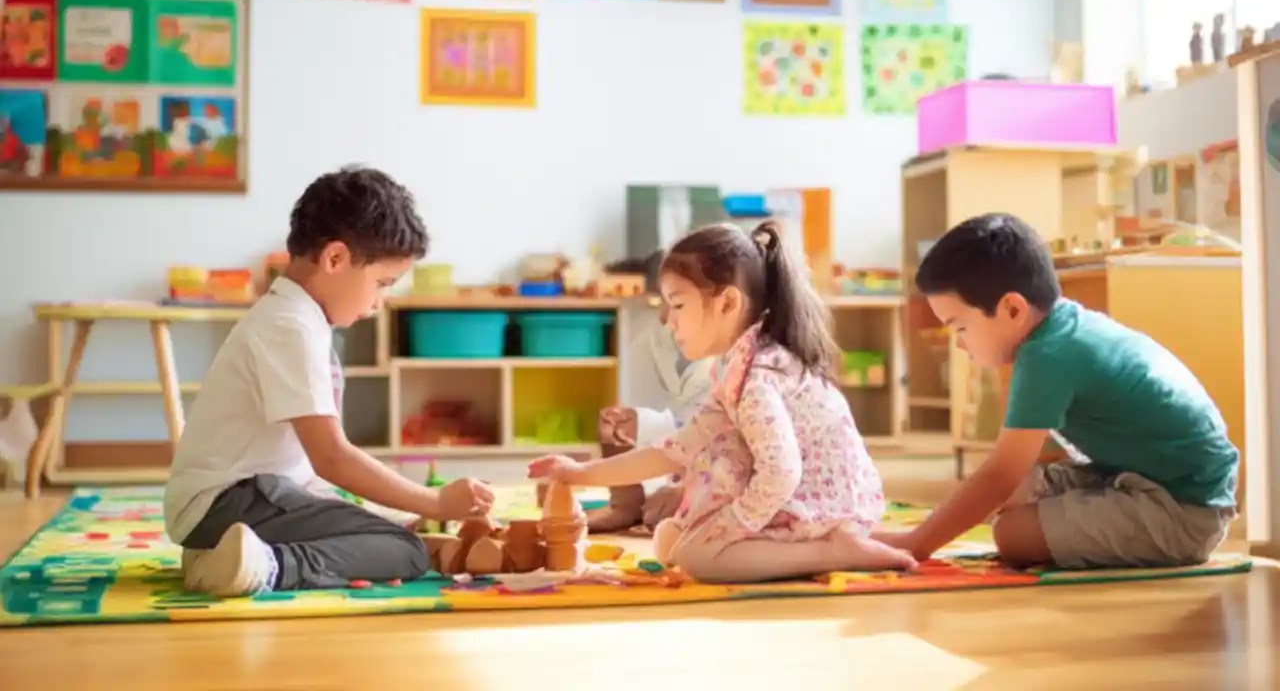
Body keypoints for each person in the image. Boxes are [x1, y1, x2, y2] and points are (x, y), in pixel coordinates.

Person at [164, 166, 494, 597]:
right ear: (334, 259)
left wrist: (386, 512)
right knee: (405, 551)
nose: (379, 303)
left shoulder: (297, 319)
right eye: (381, 283)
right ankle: (266, 566)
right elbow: (331, 458)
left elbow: (307, 468)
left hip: (239, 501)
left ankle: (226, 553)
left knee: (386, 530)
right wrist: (432, 502)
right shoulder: (291, 327)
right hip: (229, 502)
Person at [529, 221, 916, 583]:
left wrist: (731, 525)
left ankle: (835, 552)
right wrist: (579, 473)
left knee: (699, 558)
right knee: (669, 539)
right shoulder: (736, 369)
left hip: (816, 503)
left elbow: (782, 473)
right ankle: (822, 545)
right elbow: (676, 451)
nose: (668, 319)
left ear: (728, 304)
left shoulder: (757, 381)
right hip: (790, 497)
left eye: (678, 305)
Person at [877, 213, 1238, 569]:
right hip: (1141, 477)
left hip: (1184, 511)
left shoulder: (1048, 354)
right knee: (1015, 498)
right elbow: (1010, 478)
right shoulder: (1060, 329)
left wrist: (914, 545)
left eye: (960, 328)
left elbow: (1000, 476)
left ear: (1012, 309)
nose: (959, 345)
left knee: (1012, 535)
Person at [587, 301, 714, 534]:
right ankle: (625, 507)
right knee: (614, 423)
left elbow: (735, 452)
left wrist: (687, 489)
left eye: (677, 303)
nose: (664, 317)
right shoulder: (682, 345)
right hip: (687, 432)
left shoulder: (743, 360)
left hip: (722, 458)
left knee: (668, 520)